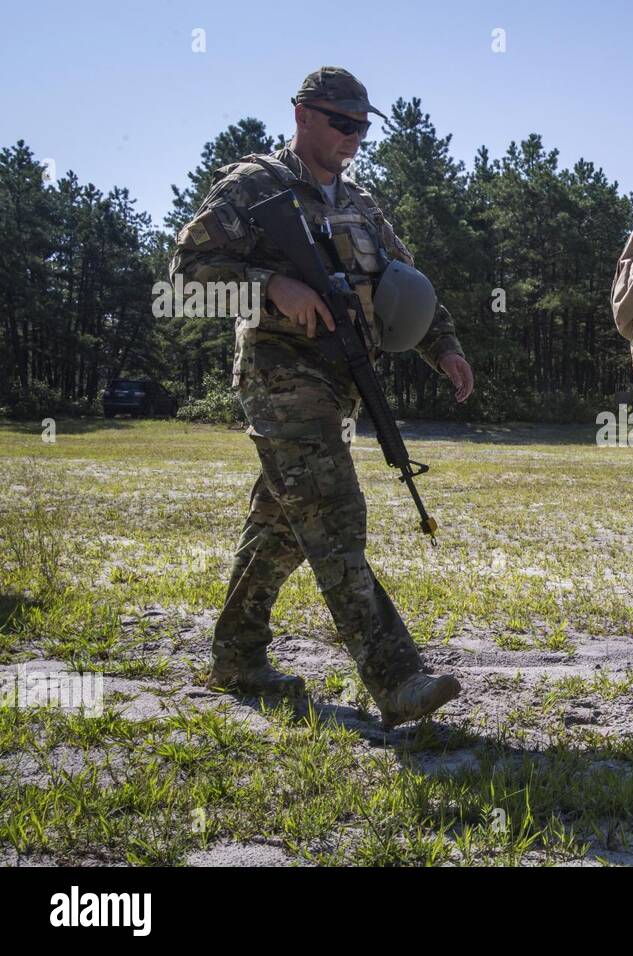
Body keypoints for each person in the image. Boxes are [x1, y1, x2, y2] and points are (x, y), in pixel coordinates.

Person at [170, 67, 474, 728]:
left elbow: (404, 282)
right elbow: (186, 278)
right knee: (334, 513)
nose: (355, 136)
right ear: (304, 114)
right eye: (343, 122)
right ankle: (397, 679)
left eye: (363, 126)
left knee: (282, 526)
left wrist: (443, 346)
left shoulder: (362, 205)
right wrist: (270, 284)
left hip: (340, 381)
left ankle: (236, 656)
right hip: (279, 374)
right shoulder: (253, 187)